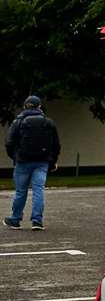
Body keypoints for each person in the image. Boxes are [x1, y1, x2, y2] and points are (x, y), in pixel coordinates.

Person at [6, 96, 60, 230]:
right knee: (38, 191)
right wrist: (53, 161)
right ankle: (37, 221)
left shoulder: (18, 121)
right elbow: (56, 145)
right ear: (39, 106)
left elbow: (9, 142)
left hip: (22, 161)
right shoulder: (48, 122)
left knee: (20, 191)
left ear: (25, 106)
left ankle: (15, 219)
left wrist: (15, 157)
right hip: (42, 162)